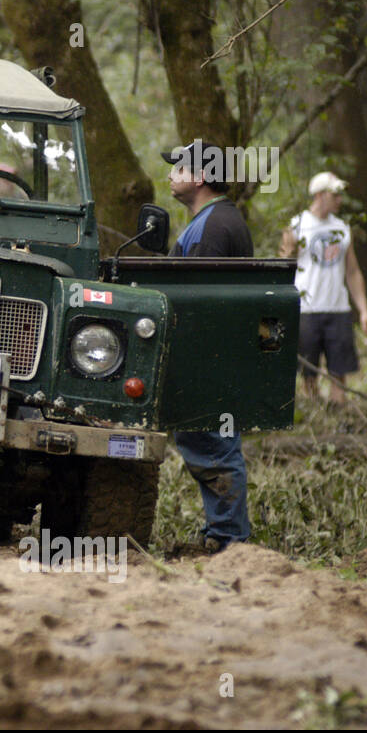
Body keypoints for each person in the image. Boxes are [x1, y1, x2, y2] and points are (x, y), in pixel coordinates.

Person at [161, 140, 253, 553]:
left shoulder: (213, 228)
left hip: (209, 359)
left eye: (178, 168)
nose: (170, 174)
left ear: (200, 177)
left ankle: (229, 539)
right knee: (204, 440)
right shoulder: (210, 220)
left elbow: (200, 301)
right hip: (211, 357)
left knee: (212, 443)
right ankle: (224, 535)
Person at [280, 171, 367, 405]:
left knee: (339, 367)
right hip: (307, 308)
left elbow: (352, 271)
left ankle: (338, 409)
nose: (340, 200)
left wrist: (364, 309)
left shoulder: (342, 228)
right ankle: (314, 411)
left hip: (337, 307)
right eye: (335, 195)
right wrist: (289, 250)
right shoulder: (297, 225)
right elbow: (283, 264)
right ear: (320, 195)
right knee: (308, 371)